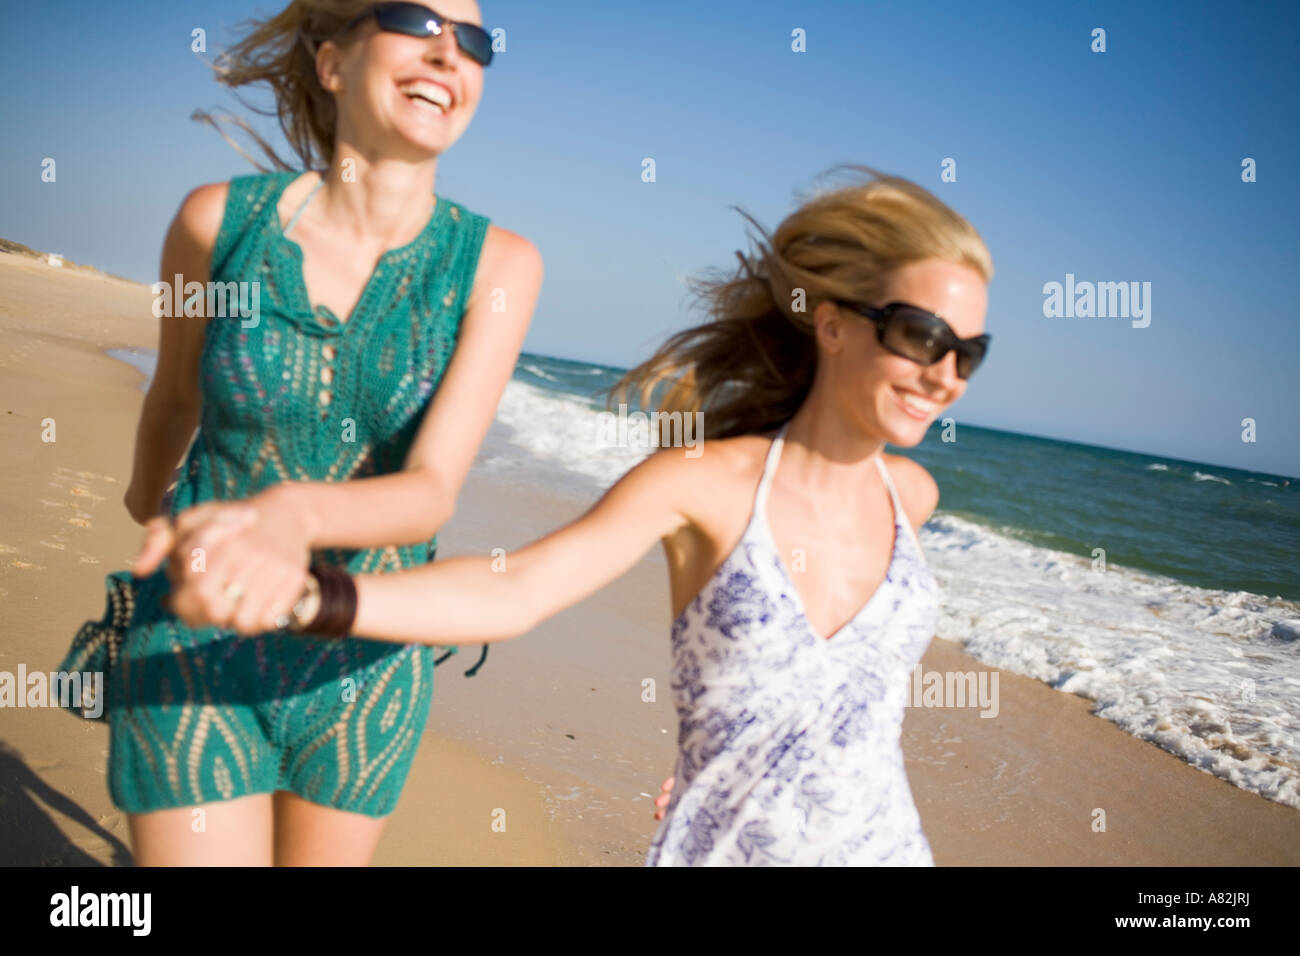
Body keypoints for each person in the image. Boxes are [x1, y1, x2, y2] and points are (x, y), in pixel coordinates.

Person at [171, 168, 993, 865]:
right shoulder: (703, 485)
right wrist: (312, 598)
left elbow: (841, 699)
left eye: (970, 352)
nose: (948, 375)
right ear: (836, 322)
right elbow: (517, 589)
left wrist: (726, 747)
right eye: (924, 336)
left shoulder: (911, 498)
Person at [56, 0, 543, 866]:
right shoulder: (214, 225)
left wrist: (288, 517)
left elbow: (431, 491)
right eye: (416, 22)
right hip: (197, 637)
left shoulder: (500, 267)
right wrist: (151, 512)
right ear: (331, 63)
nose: (448, 52)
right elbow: (173, 398)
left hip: (359, 670)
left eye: (474, 42)